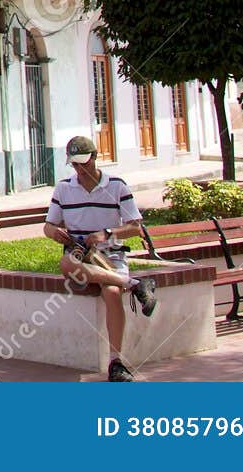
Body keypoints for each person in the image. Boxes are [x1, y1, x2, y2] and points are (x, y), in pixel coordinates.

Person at [44, 135, 158, 382]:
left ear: (95, 157)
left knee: (112, 292)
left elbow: (135, 227)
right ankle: (135, 284)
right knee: (67, 263)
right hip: (78, 252)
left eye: (83, 163)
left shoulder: (116, 185)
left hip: (110, 254)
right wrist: (56, 233)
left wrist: (106, 233)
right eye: (74, 165)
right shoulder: (64, 188)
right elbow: (48, 226)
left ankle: (116, 362)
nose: (80, 169)